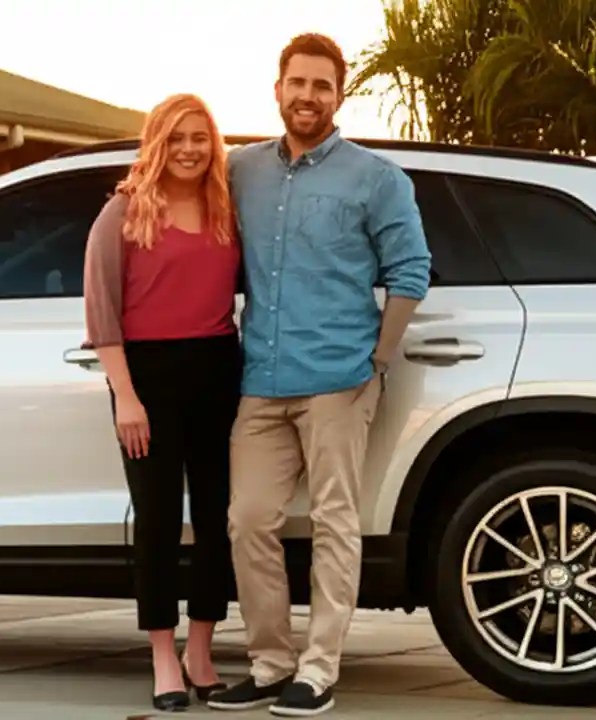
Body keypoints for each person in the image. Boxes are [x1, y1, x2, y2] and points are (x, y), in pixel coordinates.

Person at [206, 33, 432, 717]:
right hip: (261, 380)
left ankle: (319, 669)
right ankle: (271, 663)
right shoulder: (242, 169)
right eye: (297, 83)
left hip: (339, 376)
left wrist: (379, 361)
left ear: (340, 95)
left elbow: (410, 271)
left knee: (336, 522)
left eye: (322, 86)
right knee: (247, 521)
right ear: (278, 89)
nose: (308, 97)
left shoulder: (376, 178)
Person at [82, 93, 244, 712]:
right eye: (176, 138)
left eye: (199, 138)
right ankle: (161, 655)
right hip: (145, 378)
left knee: (216, 516)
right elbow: (101, 314)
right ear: (156, 142)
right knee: (154, 521)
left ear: (214, 144)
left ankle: (201, 648)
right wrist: (126, 397)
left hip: (217, 368)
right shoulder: (122, 213)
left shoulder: (226, 208)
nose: (188, 150)